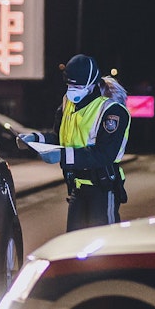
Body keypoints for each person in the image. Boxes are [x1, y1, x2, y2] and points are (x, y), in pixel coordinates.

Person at [18, 54, 131, 231]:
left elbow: (105, 154)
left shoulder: (112, 111)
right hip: (77, 188)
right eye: (70, 85)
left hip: (102, 188)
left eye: (77, 86)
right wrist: (35, 139)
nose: (72, 90)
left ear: (92, 84)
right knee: (74, 245)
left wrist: (63, 155)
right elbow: (60, 137)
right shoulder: (67, 104)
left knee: (102, 245)